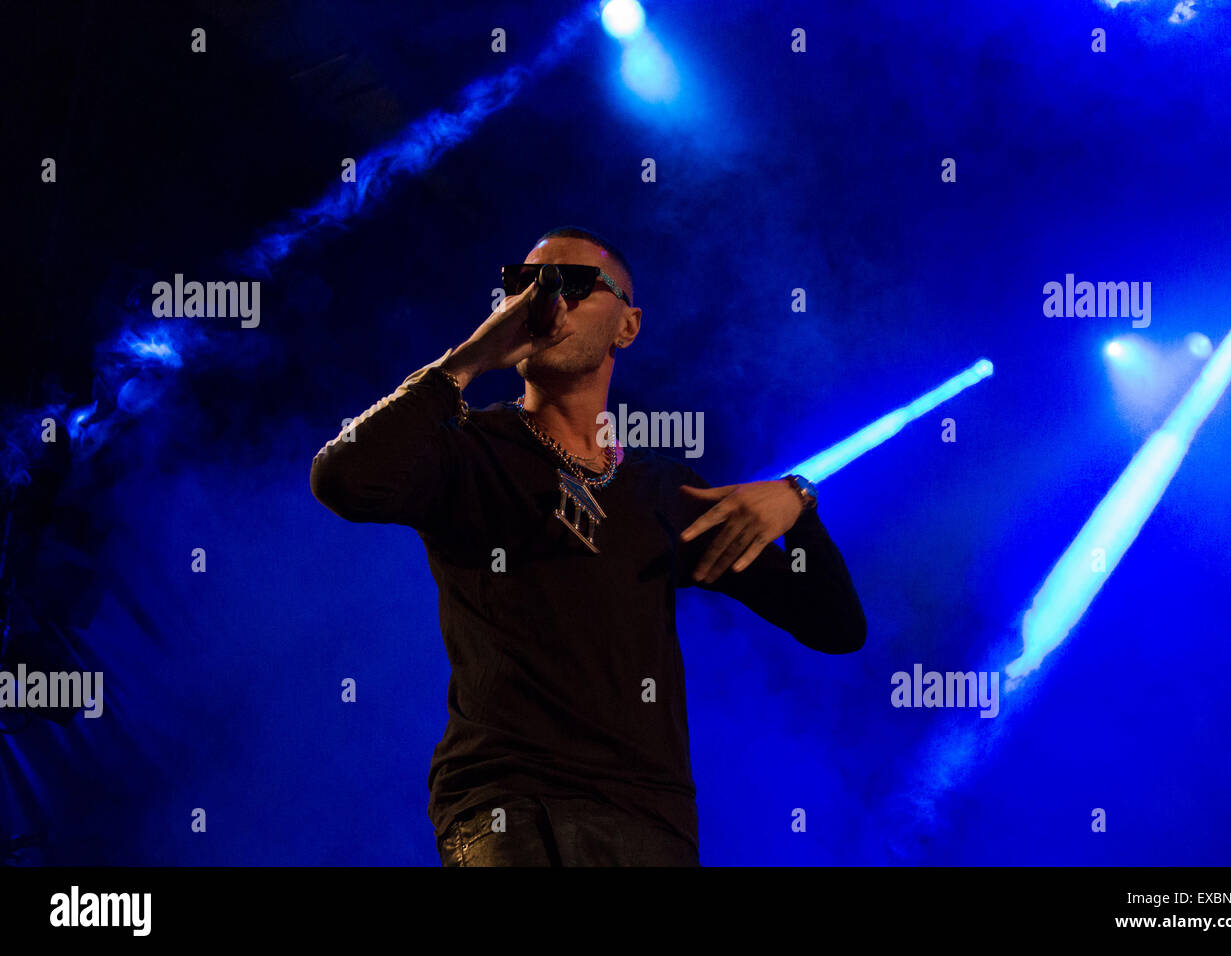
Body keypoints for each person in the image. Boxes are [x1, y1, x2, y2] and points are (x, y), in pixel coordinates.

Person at [309, 226, 866, 866]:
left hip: (650, 823)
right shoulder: (470, 450)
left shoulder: (662, 491)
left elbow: (835, 626)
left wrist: (799, 501)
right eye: (524, 284)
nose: (543, 300)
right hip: (512, 806)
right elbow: (342, 478)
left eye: (572, 284)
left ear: (628, 327)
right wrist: (469, 360)